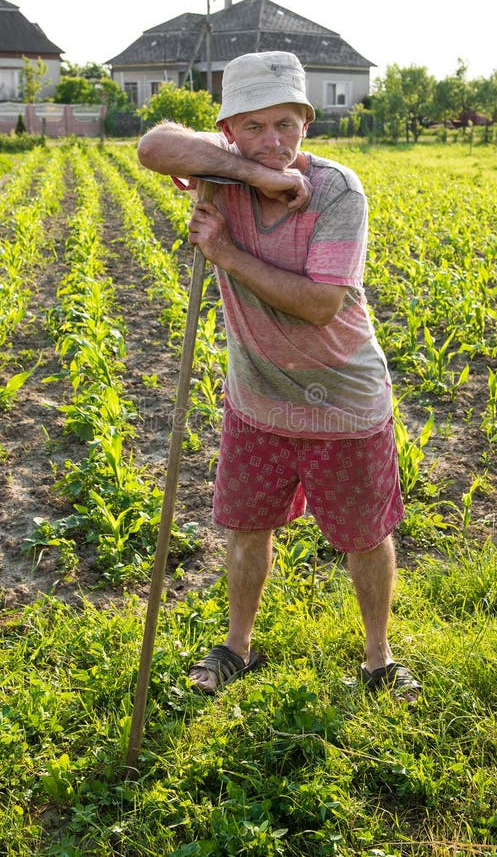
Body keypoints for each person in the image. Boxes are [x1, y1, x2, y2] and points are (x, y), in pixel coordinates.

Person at [137, 51, 421, 701]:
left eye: (286, 125)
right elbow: (154, 146)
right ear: (228, 130)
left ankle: (378, 656)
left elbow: (321, 303)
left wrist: (227, 254)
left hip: (343, 403)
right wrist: (252, 177)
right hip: (257, 402)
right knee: (245, 529)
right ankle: (237, 645)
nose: (274, 141)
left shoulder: (338, 191)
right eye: (255, 126)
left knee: (364, 535)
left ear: (307, 124)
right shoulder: (221, 176)